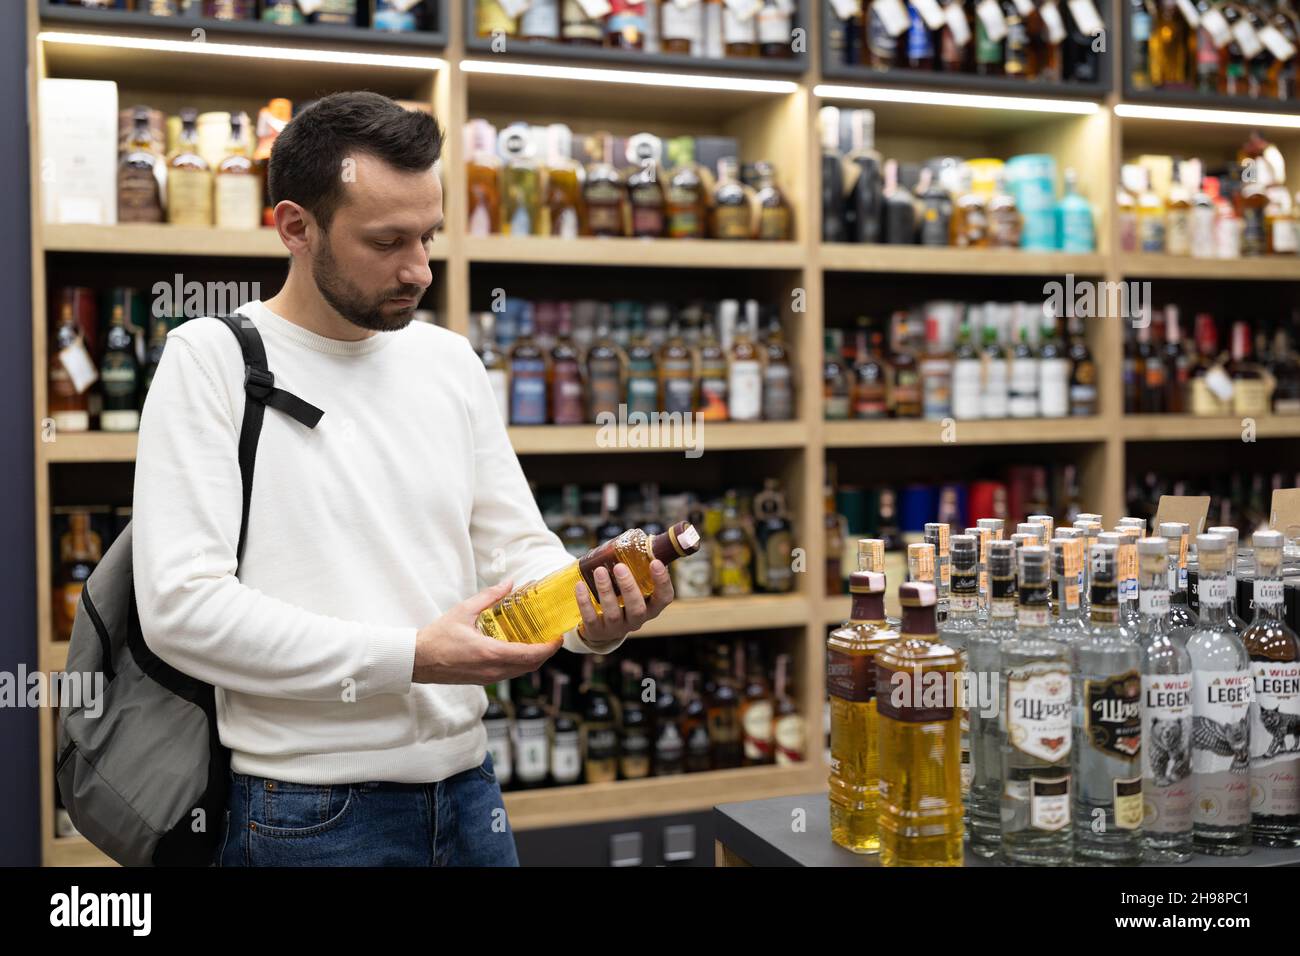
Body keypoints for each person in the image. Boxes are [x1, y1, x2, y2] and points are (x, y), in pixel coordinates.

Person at [132, 91, 677, 867]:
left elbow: (515, 549)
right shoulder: (211, 359)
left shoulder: (447, 359)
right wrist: (413, 655)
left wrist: (595, 613)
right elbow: (183, 610)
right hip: (307, 814)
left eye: (427, 235)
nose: (419, 269)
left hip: (470, 790)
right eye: (386, 241)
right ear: (295, 227)